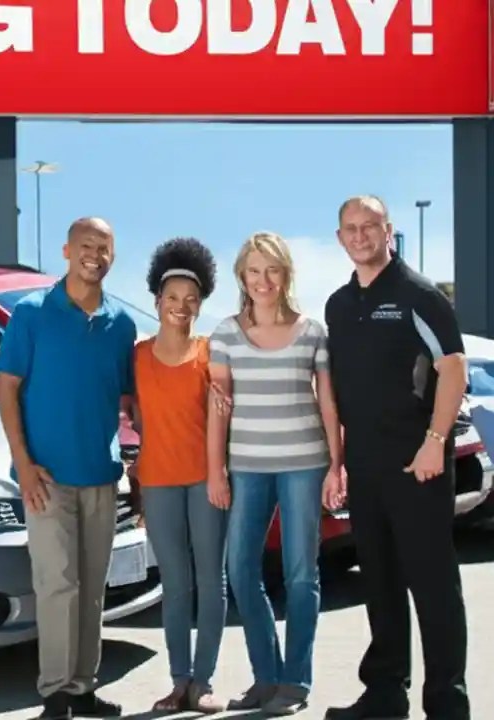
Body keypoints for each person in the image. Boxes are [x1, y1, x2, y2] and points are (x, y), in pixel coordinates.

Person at [322, 195, 469, 720]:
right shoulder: (338, 305)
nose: (360, 235)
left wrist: (435, 440)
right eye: (350, 228)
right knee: (379, 583)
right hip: (365, 466)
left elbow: (453, 368)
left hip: (419, 466)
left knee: (432, 585)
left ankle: (448, 704)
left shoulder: (418, 294)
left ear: (390, 231)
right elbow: (339, 388)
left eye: (370, 226)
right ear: (340, 237)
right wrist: (337, 464)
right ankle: (385, 694)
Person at [0, 216, 137, 720]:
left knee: (93, 586)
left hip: (102, 473)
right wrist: (24, 465)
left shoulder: (122, 324)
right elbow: (6, 389)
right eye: (85, 245)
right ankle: (55, 693)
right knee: (58, 585)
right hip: (46, 479)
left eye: (104, 247)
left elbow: (126, 399)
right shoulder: (31, 314)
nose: (94, 254)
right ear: (66, 250)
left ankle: (82, 687)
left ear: (112, 255)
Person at [206, 231, 342, 716]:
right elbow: (218, 410)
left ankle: (296, 681)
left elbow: (328, 402)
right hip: (246, 466)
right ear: (243, 276)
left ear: (286, 275)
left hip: (305, 462)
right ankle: (266, 675)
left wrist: (336, 465)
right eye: (254, 271)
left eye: (273, 270)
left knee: (302, 573)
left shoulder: (313, 331)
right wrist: (215, 470)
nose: (263, 280)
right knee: (240, 568)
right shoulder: (223, 334)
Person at [130, 238, 229, 714]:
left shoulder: (212, 355)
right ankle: (177, 681)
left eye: (190, 300)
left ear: (200, 303)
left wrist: (220, 475)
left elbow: (223, 421)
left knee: (212, 580)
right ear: (157, 301)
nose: (180, 307)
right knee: (175, 583)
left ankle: (203, 682)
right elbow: (134, 417)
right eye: (172, 298)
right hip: (159, 481)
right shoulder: (137, 357)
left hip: (206, 481)